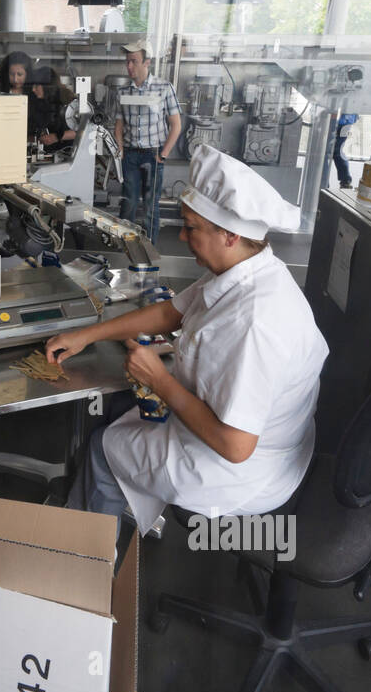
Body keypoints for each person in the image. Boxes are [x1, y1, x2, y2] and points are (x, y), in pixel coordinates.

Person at [48, 144, 329, 534]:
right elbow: (170, 313)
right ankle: (114, 503)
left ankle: (81, 566)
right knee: (118, 412)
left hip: (241, 472)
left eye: (191, 228)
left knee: (102, 448)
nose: (181, 235)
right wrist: (86, 334)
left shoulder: (255, 322)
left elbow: (235, 446)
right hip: (262, 444)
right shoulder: (246, 269)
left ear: (230, 235)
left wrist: (158, 379)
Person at [114, 40, 182, 226]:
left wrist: (163, 154)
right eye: (127, 61)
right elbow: (118, 125)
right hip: (129, 155)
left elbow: (176, 125)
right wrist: (120, 151)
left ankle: (150, 249)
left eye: (134, 61)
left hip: (153, 154)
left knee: (151, 206)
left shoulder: (164, 88)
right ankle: (124, 247)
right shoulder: (122, 92)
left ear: (147, 62)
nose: (129, 66)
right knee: (129, 204)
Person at [28, 65, 77, 148]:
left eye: (36, 86)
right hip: (47, 152)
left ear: (47, 86)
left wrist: (56, 137)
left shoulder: (67, 97)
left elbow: (84, 130)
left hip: (68, 151)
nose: (33, 89)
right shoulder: (38, 100)